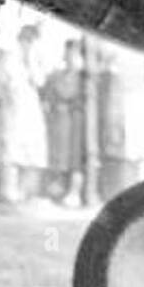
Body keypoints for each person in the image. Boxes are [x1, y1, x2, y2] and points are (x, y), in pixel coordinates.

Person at [0, 25, 48, 203]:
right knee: (10, 151)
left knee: (30, 152)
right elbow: (1, 82)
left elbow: (39, 81)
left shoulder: (36, 60)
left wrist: (31, 61)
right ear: (20, 40)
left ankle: (24, 192)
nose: (29, 44)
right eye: (26, 40)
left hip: (30, 108)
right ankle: (8, 192)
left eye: (32, 41)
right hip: (12, 108)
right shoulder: (8, 58)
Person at [41, 39, 86, 206]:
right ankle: (56, 191)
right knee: (58, 156)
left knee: (74, 157)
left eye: (73, 54)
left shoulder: (83, 78)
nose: (69, 57)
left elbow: (77, 97)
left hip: (76, 122)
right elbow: (50, 96)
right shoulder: (56, 76)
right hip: (59, 122)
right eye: (67, 53)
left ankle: (74, 193)